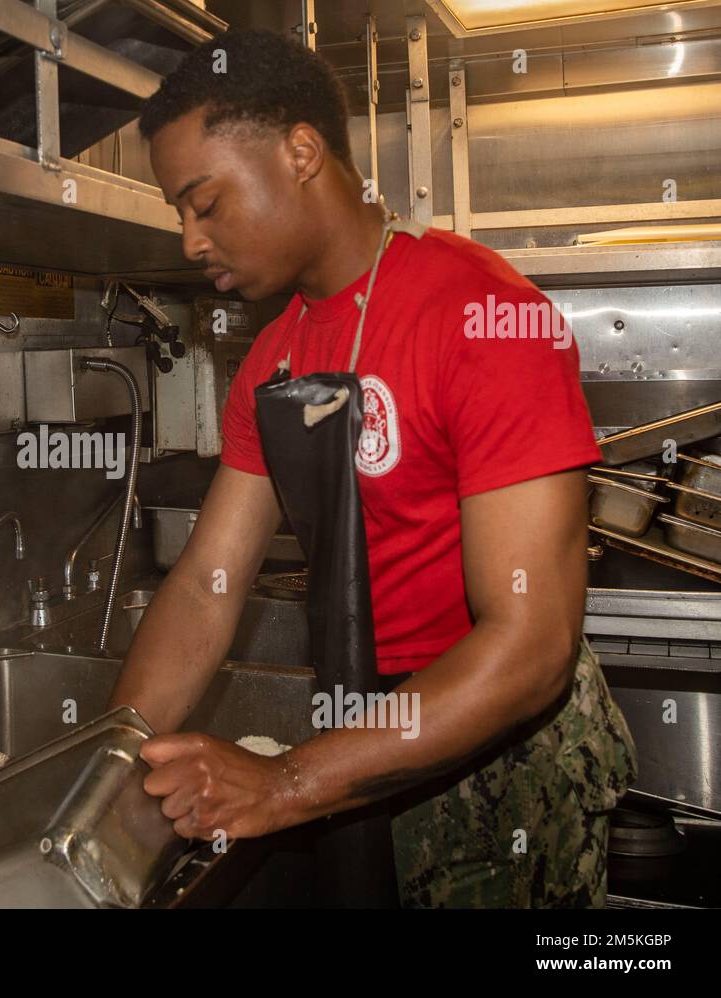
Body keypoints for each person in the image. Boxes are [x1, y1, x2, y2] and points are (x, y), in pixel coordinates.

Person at [109, 28, 637, 907]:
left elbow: (530, 645)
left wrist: (282, 785)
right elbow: (207, 581)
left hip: (503, 744)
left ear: (301, 152)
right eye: (178, 214)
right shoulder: (272, 363)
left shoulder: (486, 315)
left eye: (204, 203)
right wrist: (114, 763)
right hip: (370, 731)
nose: (190, 242)